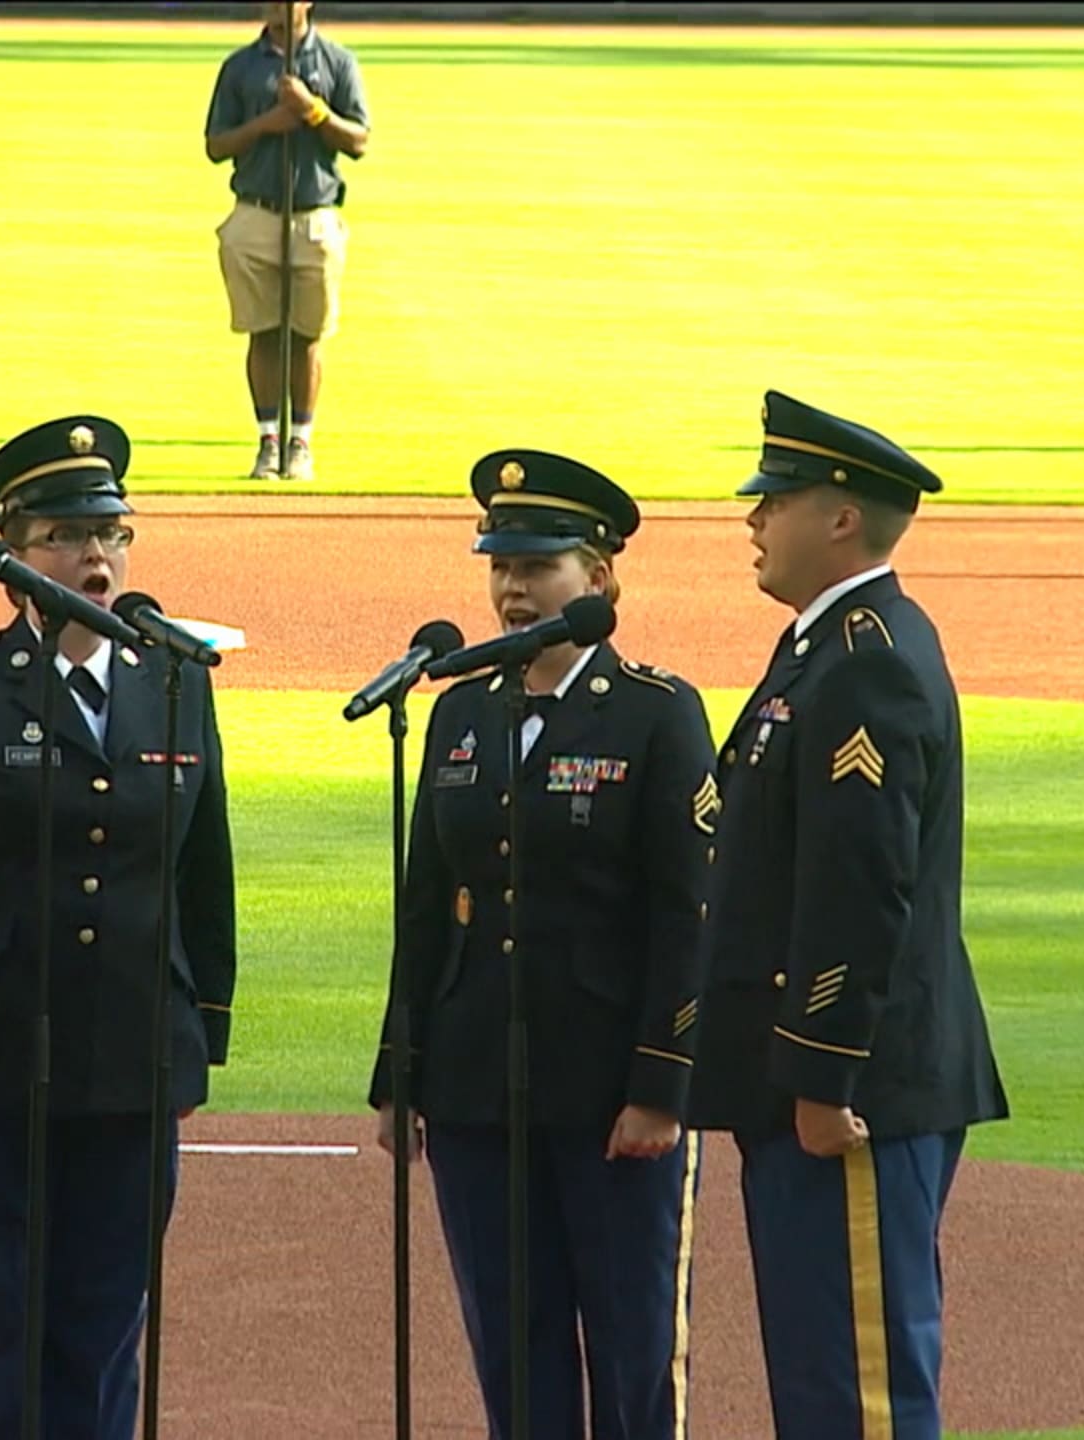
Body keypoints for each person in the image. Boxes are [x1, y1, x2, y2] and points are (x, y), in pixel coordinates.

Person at [369, 451, 715, 1439]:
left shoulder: (655, 712)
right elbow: (427, 902)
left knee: (632, 1343)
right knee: (510, 1347)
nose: (513, 590)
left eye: (540, 565)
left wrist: (662, 1081)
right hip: (478, 1083)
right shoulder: (459, 710)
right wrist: (403, 1068)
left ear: (599, 578)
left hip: (609, 1085)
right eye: (500, 566)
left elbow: (688, 906)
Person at [684, 393, 1009, 1440]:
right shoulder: (822, 648)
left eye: (772, 500)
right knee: (820, 1371)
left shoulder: (864, 659)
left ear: (837, 518)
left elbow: (859, 886)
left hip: (848, 1090)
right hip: (808, 1083)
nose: (751, 520)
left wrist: (822, 1076)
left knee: (860, 1384)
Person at [0, 416, 237, 1440]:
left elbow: (203, 870)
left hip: (135, 1054)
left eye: (112, 535)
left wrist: (201, 1033)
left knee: (105, 1323)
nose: (94, 557)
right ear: (13, 560)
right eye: (64, 536)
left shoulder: (174, 679)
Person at [202, 1, 369, 482]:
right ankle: (267, 439)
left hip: (314, 216)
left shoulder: (338, 62)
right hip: (256, 211)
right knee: (263, 331)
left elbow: (358, 140)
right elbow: (215, 145)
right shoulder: (240, 66)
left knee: (307, 335)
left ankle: (301, 442)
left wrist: (313, 111)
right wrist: (265, 124)